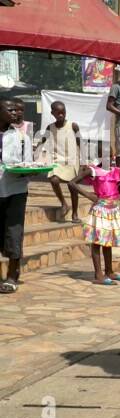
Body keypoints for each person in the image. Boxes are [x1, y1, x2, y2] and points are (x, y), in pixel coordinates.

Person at [71, 163, 120, 286]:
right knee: (97, 241)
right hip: (100, 209)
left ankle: (109, 271)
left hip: (112, 208)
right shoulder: (93, 171)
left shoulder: (115, 170)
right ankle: (98, 274)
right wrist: (88, 195)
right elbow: (72, 183)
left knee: (108, 241)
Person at [0, 96, 33, 294]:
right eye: (10, 110)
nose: (15, 113)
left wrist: (28, 171)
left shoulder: (22, 138)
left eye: (16, 110)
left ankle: (13, 275)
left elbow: (27, 163)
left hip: (16, 190)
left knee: (14, 232)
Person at [35, 102, 81, 222]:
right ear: (52, 113)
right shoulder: (50, 127)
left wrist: (83, 162)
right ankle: (64, 203)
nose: (61, 115)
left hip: (71, 160)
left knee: (73, 187)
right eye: (58, 113)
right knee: (53, 179)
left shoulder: (73, 126)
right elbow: (42, 140)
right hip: (57, 160)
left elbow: (80, 143)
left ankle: (75, 213)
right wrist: (36, 151)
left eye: (63, 112)